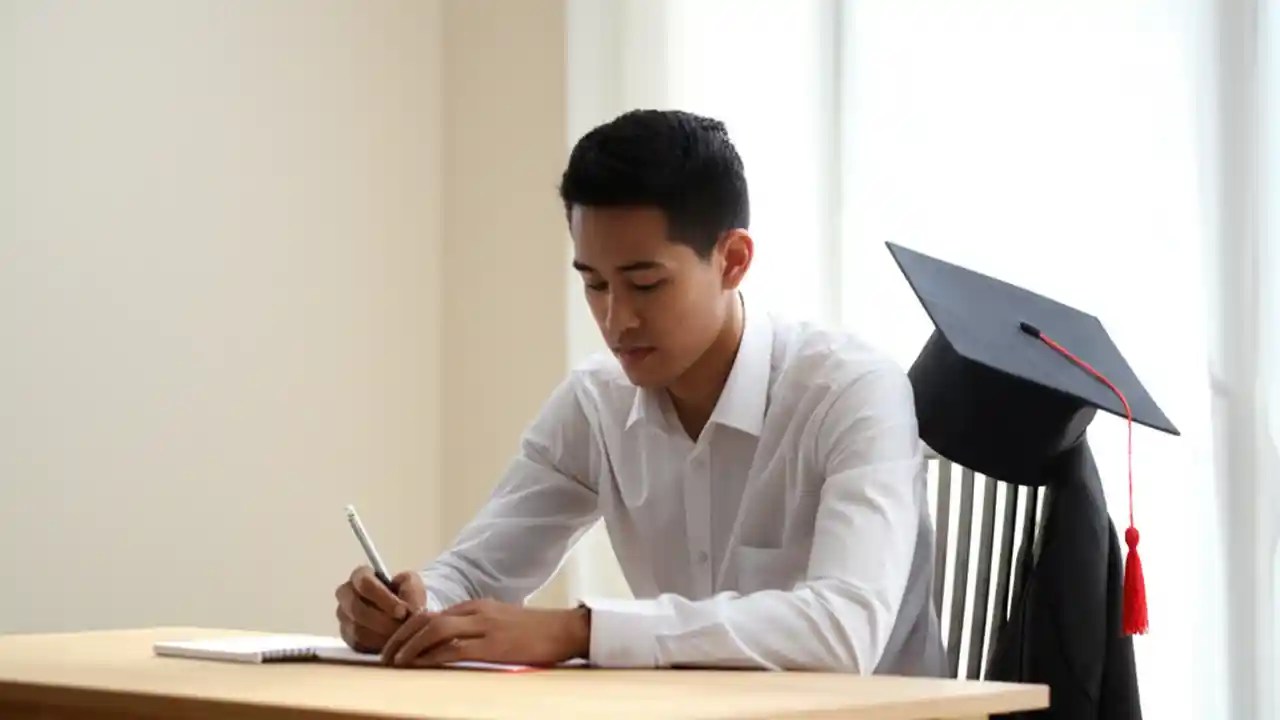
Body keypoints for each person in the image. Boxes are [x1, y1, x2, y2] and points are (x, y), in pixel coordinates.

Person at [334, 109, 945, 675]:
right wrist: (413, 609)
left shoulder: (852, 390)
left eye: (645, 284)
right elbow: (476, 572)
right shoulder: (597, 403)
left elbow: (844, 631)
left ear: (732, 260)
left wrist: (581, 632)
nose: (615, 318)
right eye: (594, 284)